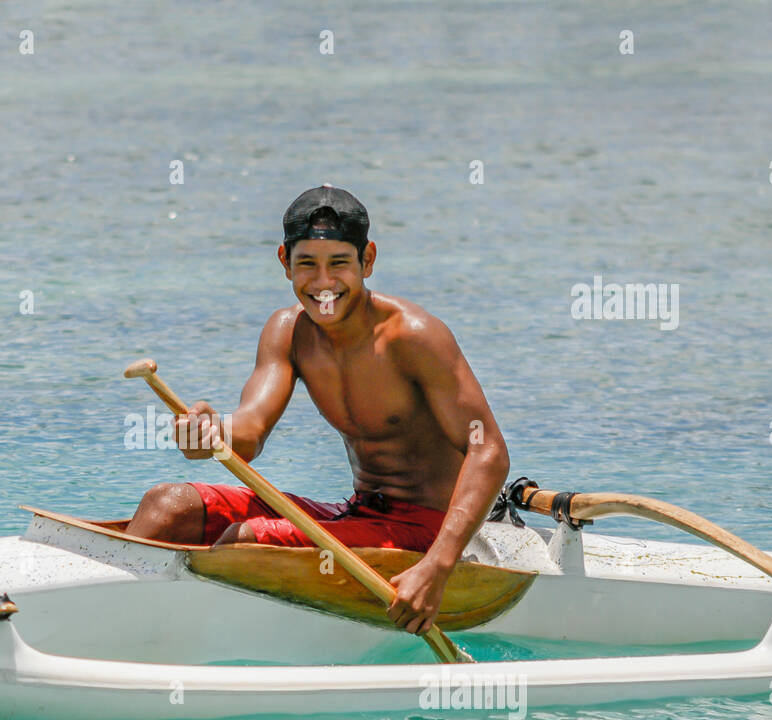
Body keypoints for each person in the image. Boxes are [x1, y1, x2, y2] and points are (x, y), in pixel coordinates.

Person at [125, 185, 510, 635]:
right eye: (307, 264)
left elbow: (490, 452)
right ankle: (120, 627)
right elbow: (249, 434)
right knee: (166, 505)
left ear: (367, 260)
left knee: (247, 543)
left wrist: (437, 566)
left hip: (426, 529)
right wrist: (213, 433)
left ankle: (207, 641)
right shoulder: (287, 332)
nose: (324, 284)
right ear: (284, 262)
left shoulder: (413, 336)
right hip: (358, 514)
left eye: (339, 264)